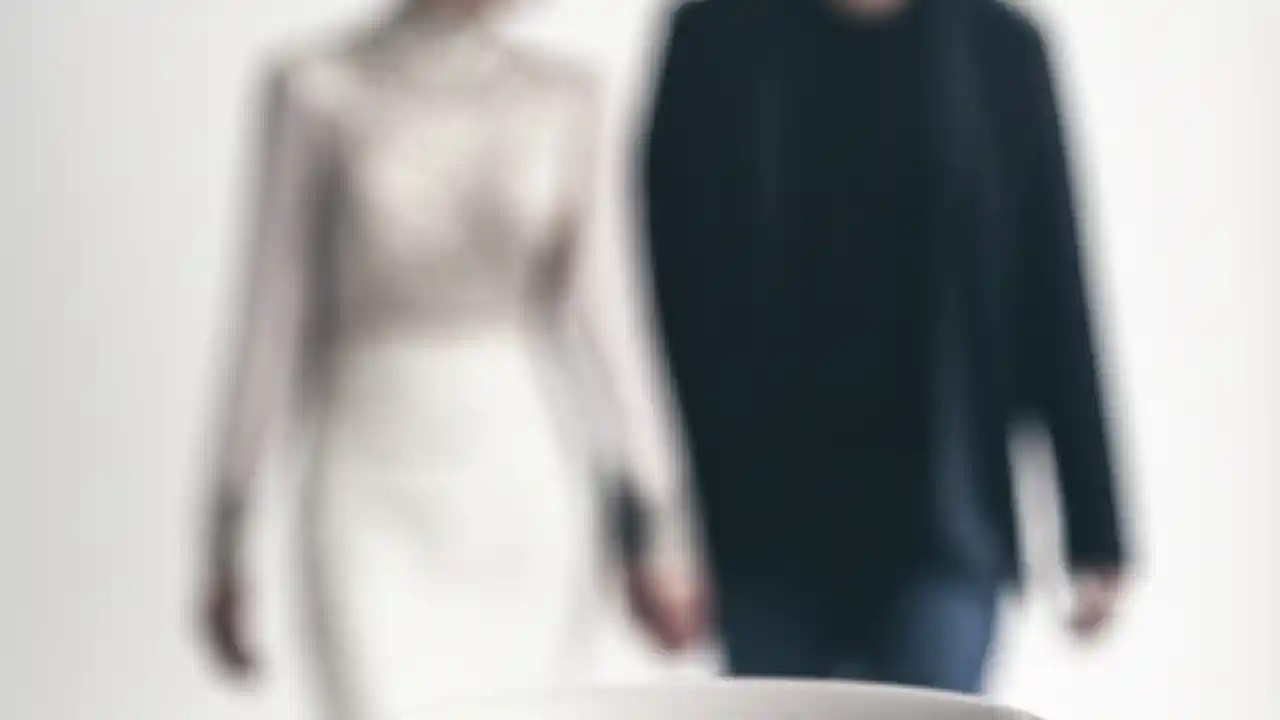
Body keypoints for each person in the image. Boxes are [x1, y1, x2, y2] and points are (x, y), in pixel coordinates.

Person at [197, 1, 704, 717]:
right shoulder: (316, 88)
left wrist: (663, 528)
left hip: (521, 481)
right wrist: (225, 533)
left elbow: (617, 326)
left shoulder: (566, 97)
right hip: (367, 475)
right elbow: (269, 317)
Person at [641, 0, 1128, 693]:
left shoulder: (1000, 49)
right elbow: (656, 293)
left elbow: (1052, 285)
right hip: (759, 521)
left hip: (941, 519)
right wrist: (652, 527)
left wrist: (1096, 527)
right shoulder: (715, 35)